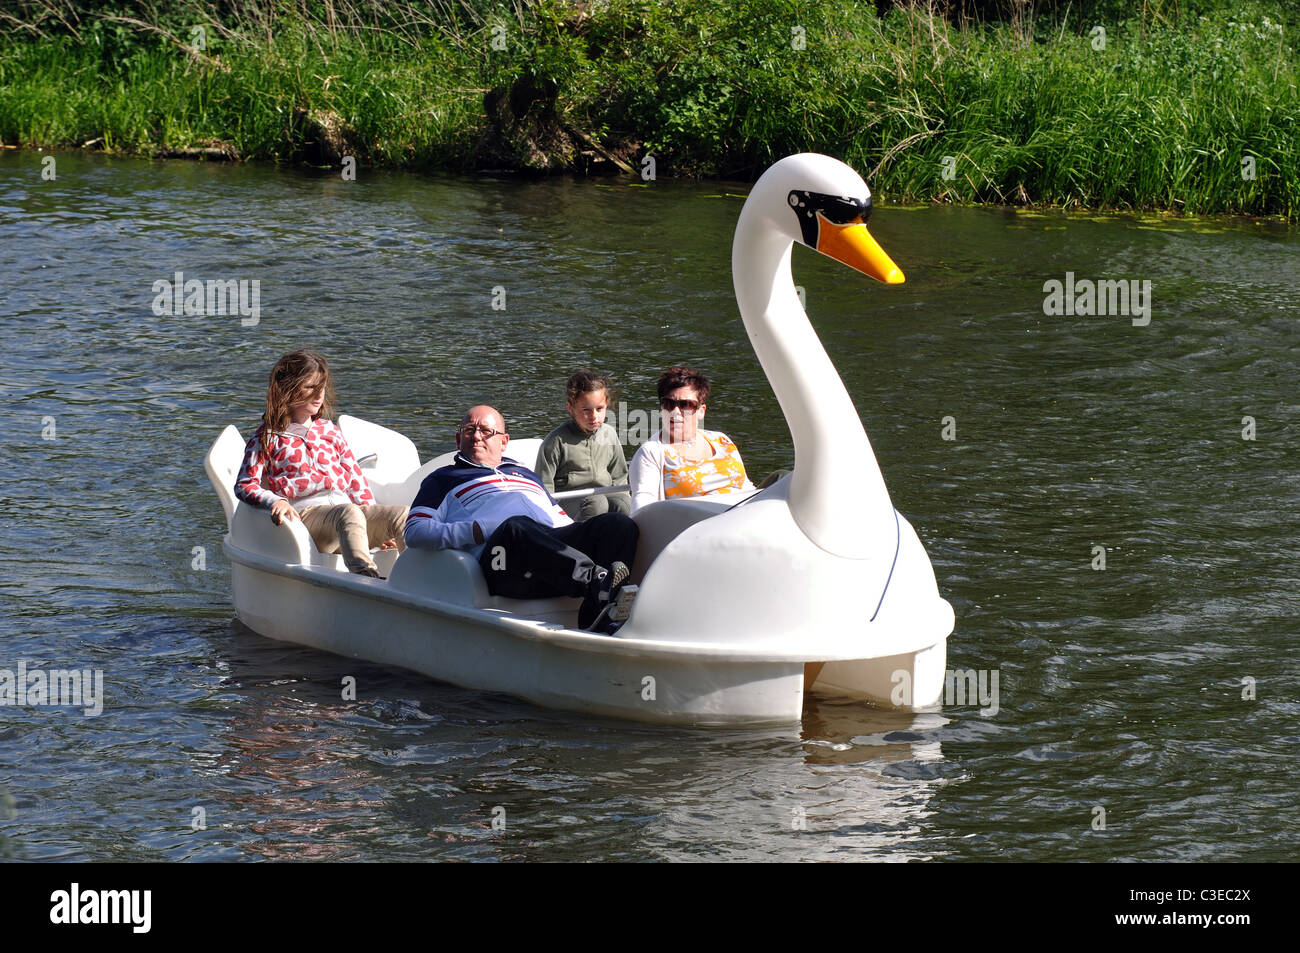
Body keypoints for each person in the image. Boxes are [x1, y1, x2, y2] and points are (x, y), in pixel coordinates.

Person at [405, 405, 638, 630]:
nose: (477, 436)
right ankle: (597, 581)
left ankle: (599, 615)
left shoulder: (525, 475)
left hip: (547, 553)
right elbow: (414, 531)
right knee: (516, 527)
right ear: (458, 440)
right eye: (469, 430)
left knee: (617, 525)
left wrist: (583, 534)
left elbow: (559, 518)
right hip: (503, 562)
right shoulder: (443, 479)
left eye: (486, 431)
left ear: (504, 441)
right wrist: (477, 530)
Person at [234, 349, 407, 577]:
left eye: (321, 387)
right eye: (310, 387)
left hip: (348, 514)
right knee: (349, 513)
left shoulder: (329, 430)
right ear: (288, 388)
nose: (318, 395)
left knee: (401, 515)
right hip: (309, 518)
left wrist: (375, 531)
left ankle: (414, 576)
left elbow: (356, 481)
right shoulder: (267, 437)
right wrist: (275, 500)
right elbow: (245, 484)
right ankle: (366, 578)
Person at [628, 366, 754, 512]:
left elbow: (746, 486)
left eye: (686, 405)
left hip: (745, 515)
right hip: (700, 528)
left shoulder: (722, 440)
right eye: (668, 404)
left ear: (701, 411)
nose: (675, 412)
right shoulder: (651, 452)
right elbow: (642, 510)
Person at [535, 370, 631, 521]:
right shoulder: (556, 441)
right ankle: (584, 540)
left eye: (599, 409)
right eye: (586, 410)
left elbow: (619, 476)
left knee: (624, 503)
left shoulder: (610, 434)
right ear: (570, 408)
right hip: (568, 501)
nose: (594, 416)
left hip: (603, 494)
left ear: (606, 405)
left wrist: (624, 499)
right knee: (597, 504)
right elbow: (544, 486)